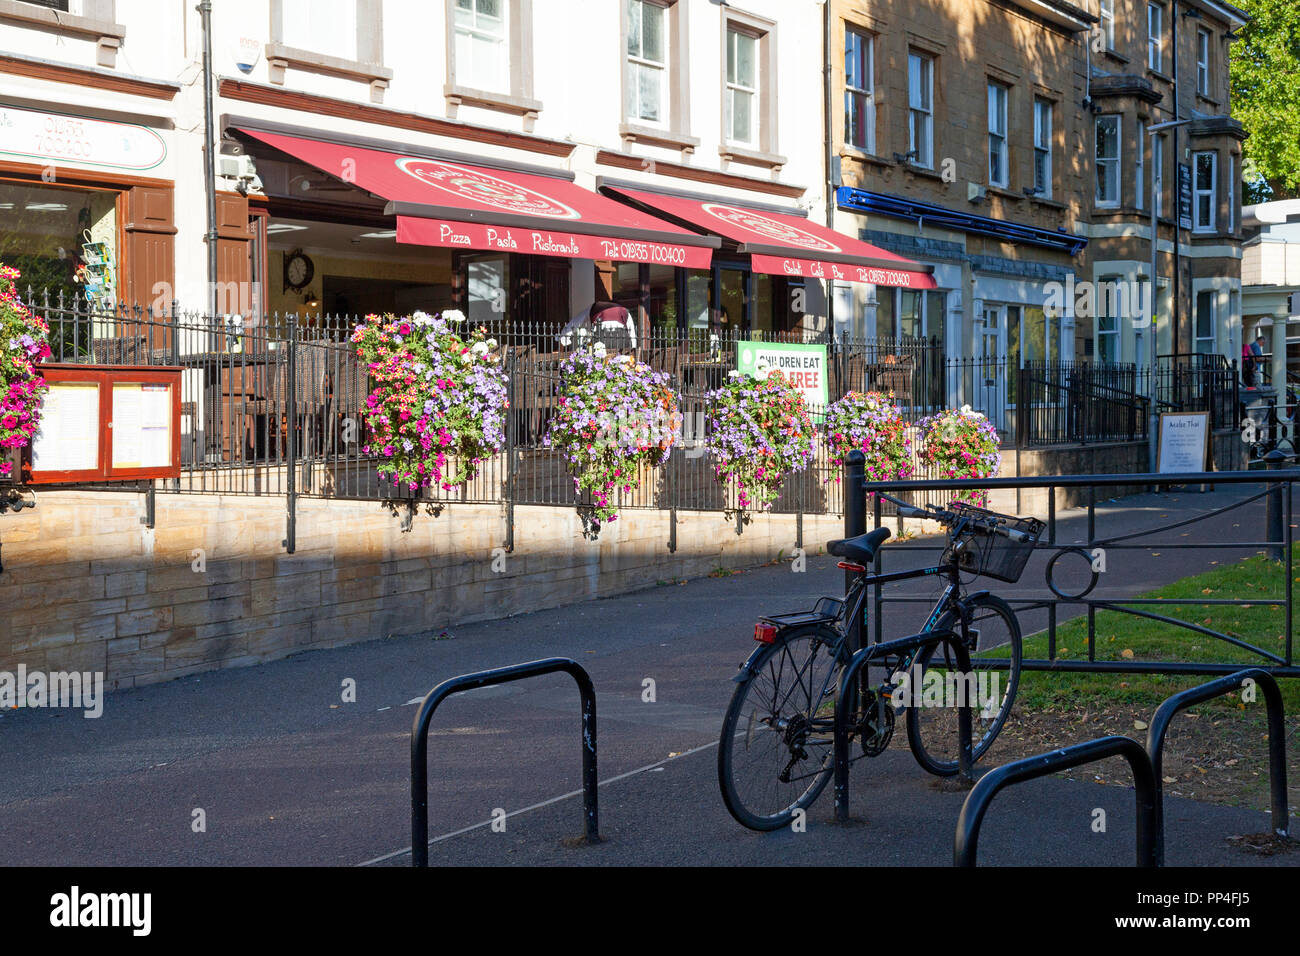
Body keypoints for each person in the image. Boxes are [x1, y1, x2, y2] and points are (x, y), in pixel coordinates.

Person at [557, 299, 638, 351]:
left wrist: (563, 341)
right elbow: (632, 333)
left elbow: (574, 324)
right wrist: (633, 349)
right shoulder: (624, 310)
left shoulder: (594, 307)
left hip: (602, 340)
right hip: (622, 341)